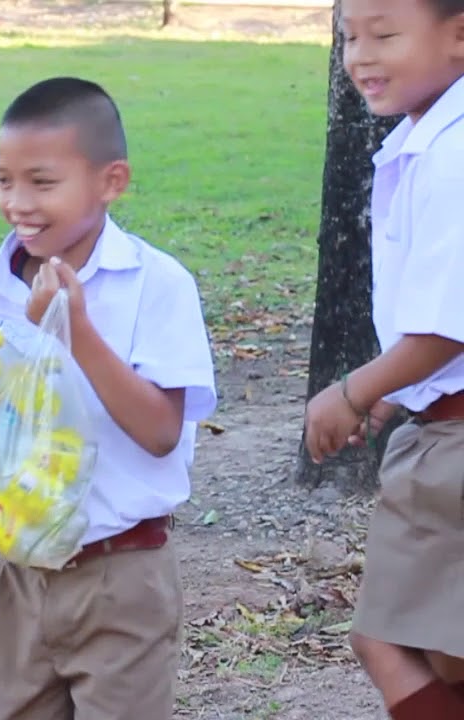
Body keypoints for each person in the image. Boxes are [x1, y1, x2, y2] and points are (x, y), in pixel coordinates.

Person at [0, 77, 217, 719]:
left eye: (42, 182)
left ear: (110, 181)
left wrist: (77, 330)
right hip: (11, 569)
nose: (17, 203)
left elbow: (160, 432)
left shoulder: (156, 283)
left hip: (118, 573)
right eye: (3, 181)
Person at [303, 0, 464, 716]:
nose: (360, 57)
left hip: (455, 449)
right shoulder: (426, 141)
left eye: (385, 35)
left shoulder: (453, 155)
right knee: (435, 652)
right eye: (349, 38)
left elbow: (448, 326)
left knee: (391, 642)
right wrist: (398, 396)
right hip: (441, 431)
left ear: (459, 34)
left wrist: (355, 392)